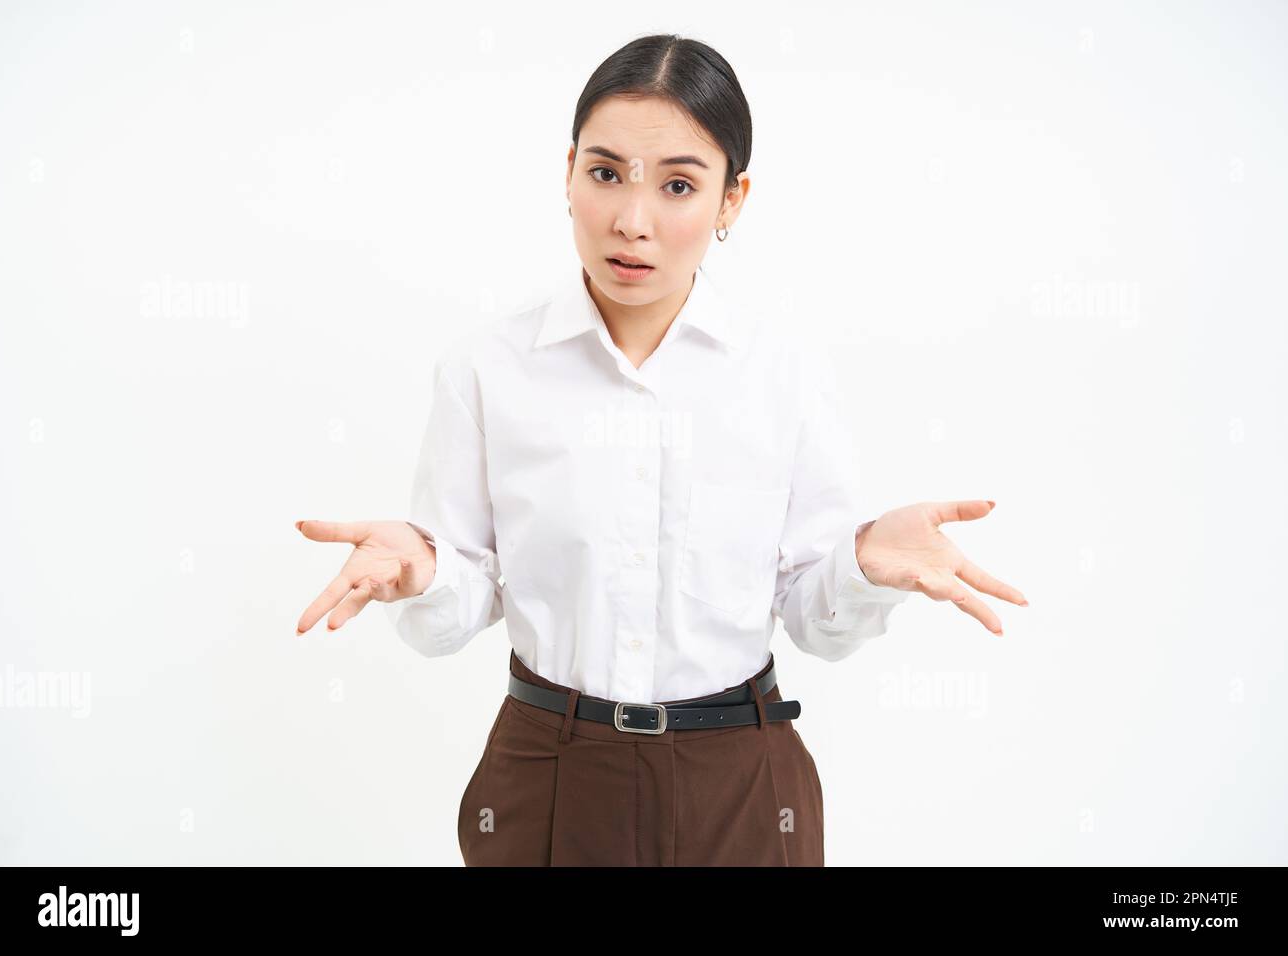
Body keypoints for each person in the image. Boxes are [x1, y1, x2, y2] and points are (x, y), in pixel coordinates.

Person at [294, 33, 1028, 866]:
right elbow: (454, 612)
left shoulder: (781, 376)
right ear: (567, 172)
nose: (631, 221)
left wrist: (861, 565)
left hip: (743, 786)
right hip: (550, 775)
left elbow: (813, 623)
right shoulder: (486, 370)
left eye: (678, 184)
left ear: (732, 200)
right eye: (605, 173)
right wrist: (423, 570)